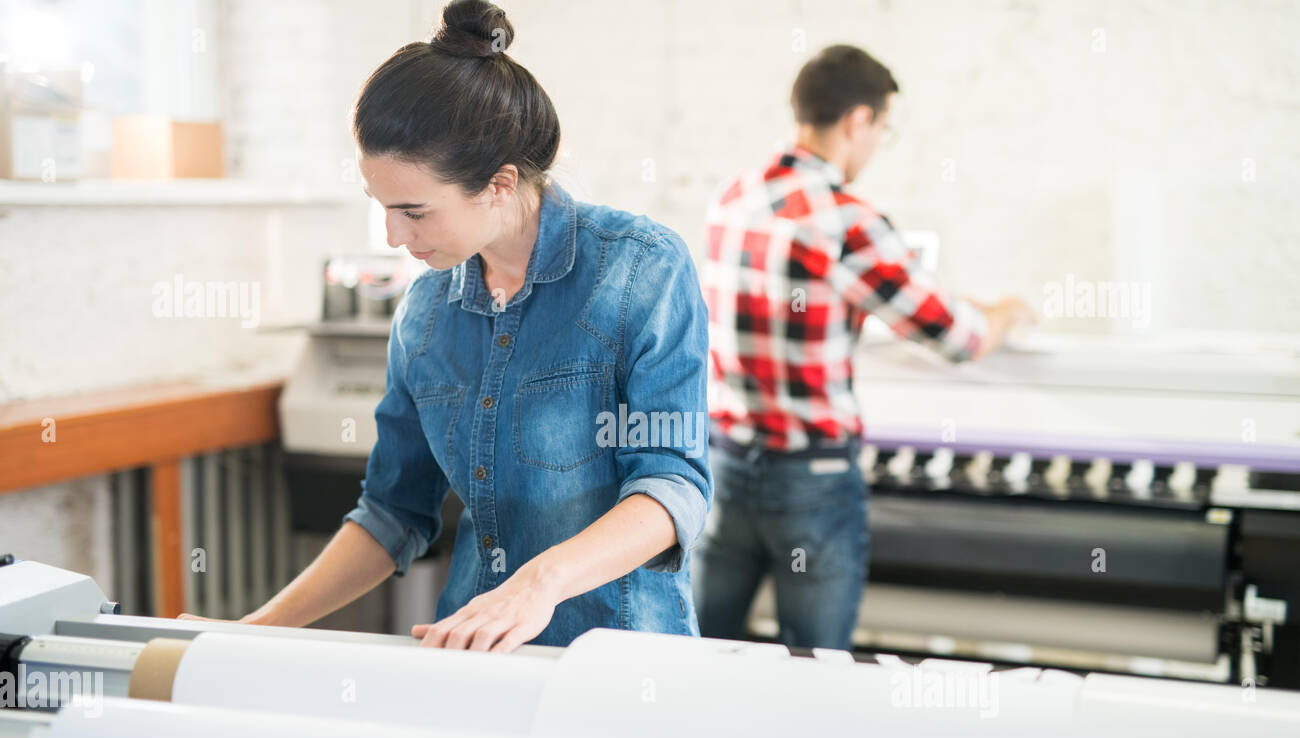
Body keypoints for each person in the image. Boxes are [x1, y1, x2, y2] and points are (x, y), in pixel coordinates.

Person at [184, 0, 711, 651]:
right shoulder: (427, 314)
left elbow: (673, 488)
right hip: (470, 656)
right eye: (381, 208)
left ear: (498, 184)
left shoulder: (641, 269)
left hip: (623, 656)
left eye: (414, 211)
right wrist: (253, 632)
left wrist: (538, 583)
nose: (393, 235)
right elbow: (390, 513)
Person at [691, 44, 1032, 651]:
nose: (877, 144)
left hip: (724, 468)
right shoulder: (847, 220)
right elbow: (959, 337)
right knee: (816, 663)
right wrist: (1005, 312)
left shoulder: (731, 198)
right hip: (812, 481)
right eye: (883, 128)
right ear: (858, 121)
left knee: (698, 647)